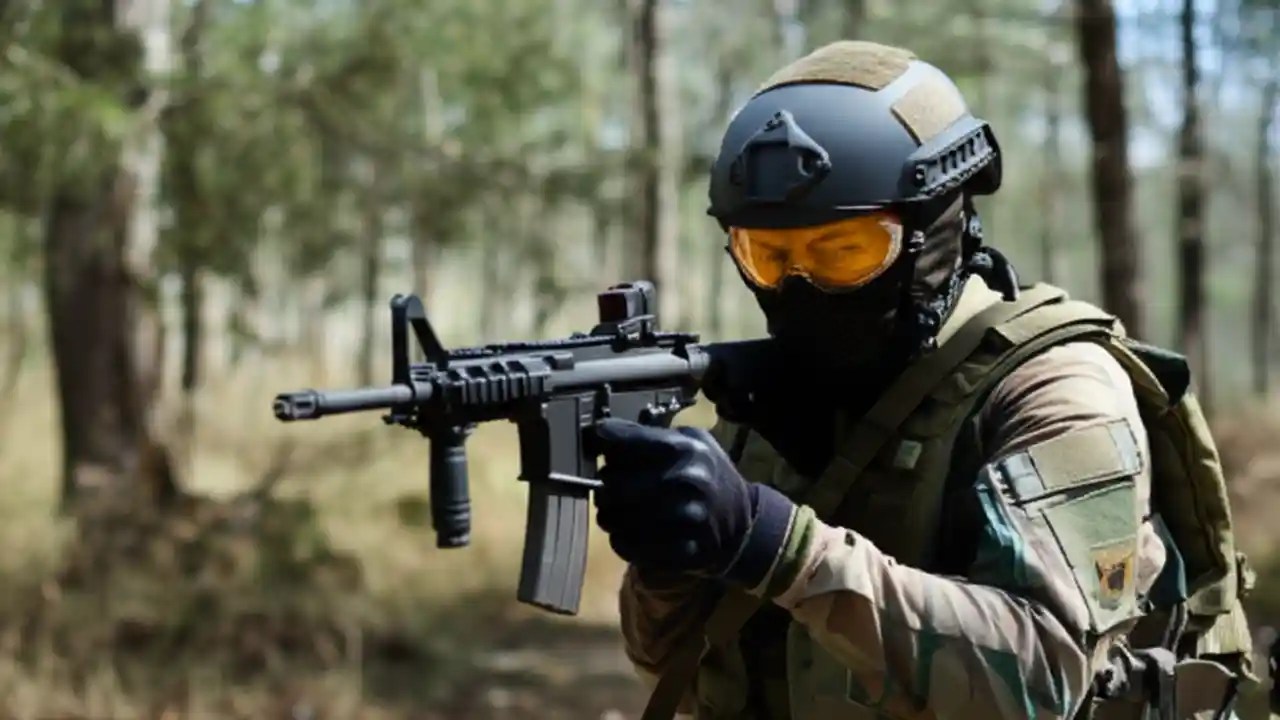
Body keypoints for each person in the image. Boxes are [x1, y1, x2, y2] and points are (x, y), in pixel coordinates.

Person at [589, 41, 1253, 720]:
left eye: (844, 251)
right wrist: (670, 568)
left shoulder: (1058, 389)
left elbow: (1046, 679)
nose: (800, 287)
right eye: (768, 257)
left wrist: (777, 547)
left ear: (935, 230)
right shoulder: (774, 401)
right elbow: (680, 672)